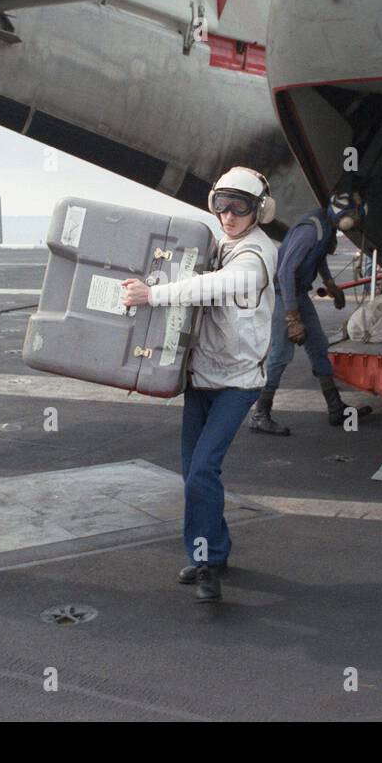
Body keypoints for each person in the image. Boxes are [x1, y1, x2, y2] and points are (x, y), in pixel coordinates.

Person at [121, 167, 279, 603]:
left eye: (240, 207)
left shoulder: (257, 254)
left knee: (203, 471)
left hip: (239, 382)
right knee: (194, 473)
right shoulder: (221, 244)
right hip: (202, 378)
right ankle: (214, 550)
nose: (228, 215)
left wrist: (152, 294)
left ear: (259, 211)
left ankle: (207, 566)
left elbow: (223, 285)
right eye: (221, 205)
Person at [248, 191, 373, 436]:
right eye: (354, 219)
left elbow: (318, 257)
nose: (355, 224)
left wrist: (330, 282)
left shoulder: (325, 226)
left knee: (318, 346)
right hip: (283, 293)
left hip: (297, 293)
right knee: (281, 354)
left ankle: (335, 407)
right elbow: (284, 272)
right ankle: (260, 413)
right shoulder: (310, 229)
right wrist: (292, 317)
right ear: (344, 216)